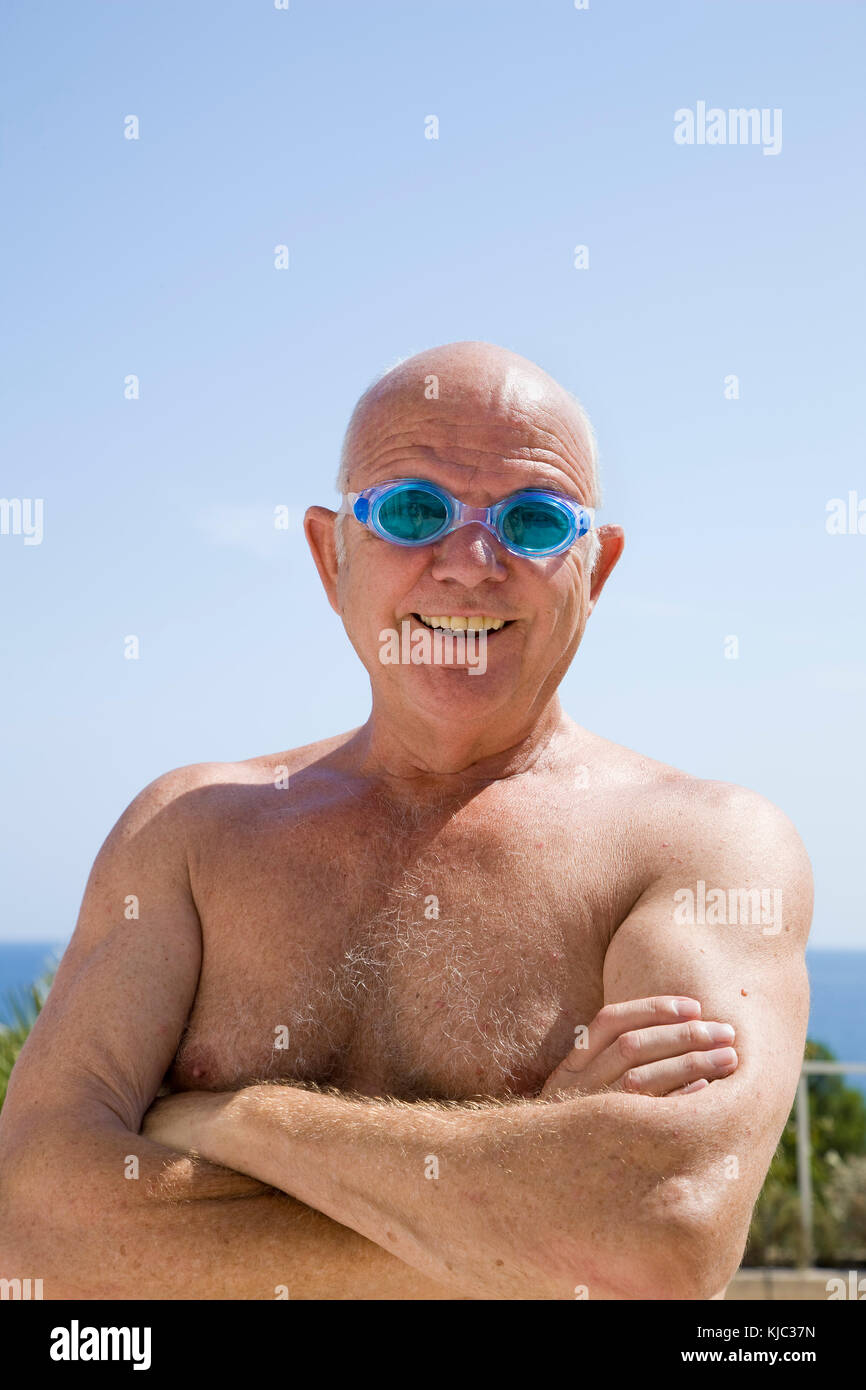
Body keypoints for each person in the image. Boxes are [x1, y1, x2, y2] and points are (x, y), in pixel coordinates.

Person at [0, 342, 811, 1300]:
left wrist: (235, 1121)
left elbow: (658, 1239)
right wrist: (531, 1220)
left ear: (595, 572)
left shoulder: (703, 847)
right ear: (327, 553)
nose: (470, 564)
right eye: (414, 510)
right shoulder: (186, 833)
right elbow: (34, 1232)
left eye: (534, 520)